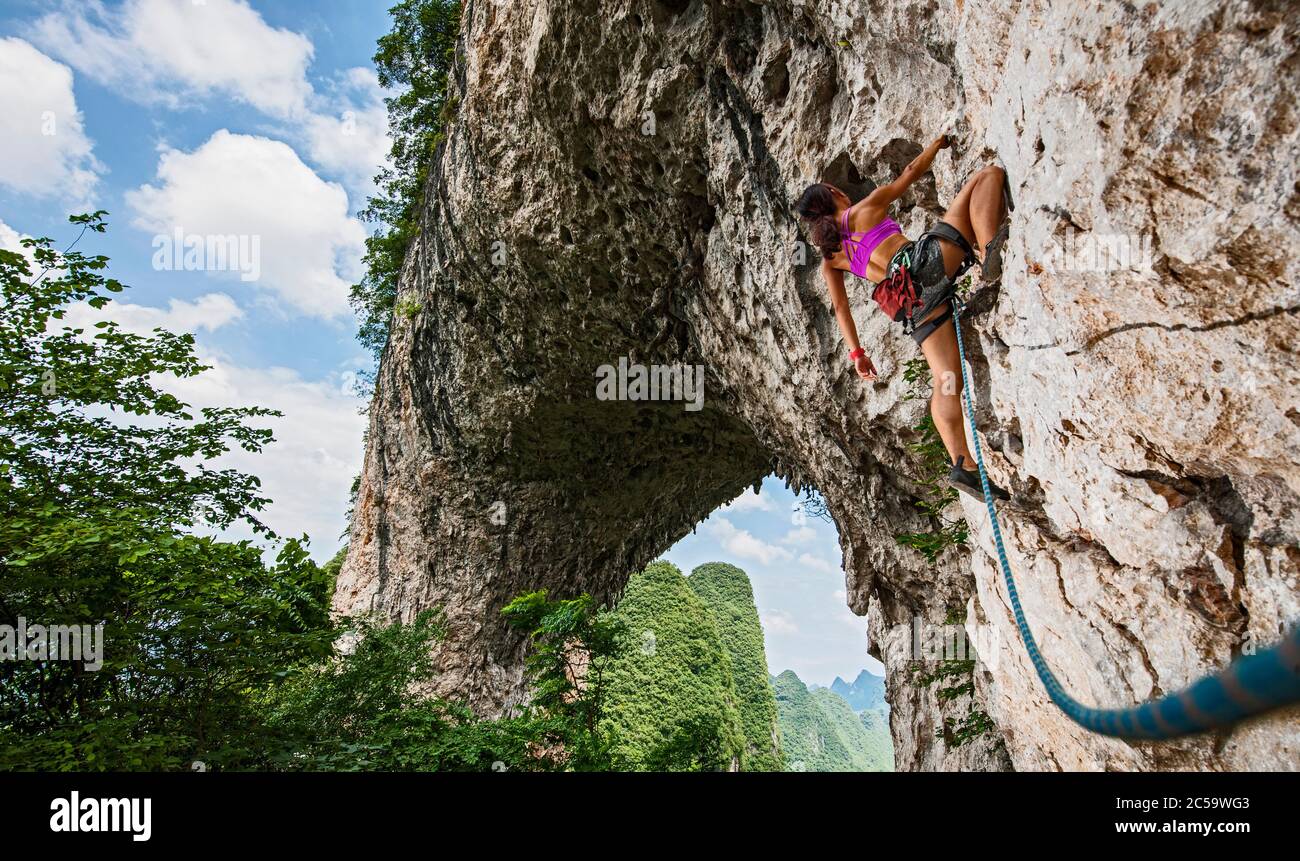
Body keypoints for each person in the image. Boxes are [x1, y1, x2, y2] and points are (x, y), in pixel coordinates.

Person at [794, 135, 1012, 500]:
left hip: (912, 303)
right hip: (927, 266)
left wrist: (857, 354)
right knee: (986, 176)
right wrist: (936, 145)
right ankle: (991, 249)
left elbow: (842, 309)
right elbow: (909, 174)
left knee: (945, 378)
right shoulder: (862, 210)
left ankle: (962, 462)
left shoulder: (830, 258)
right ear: (832, 192)